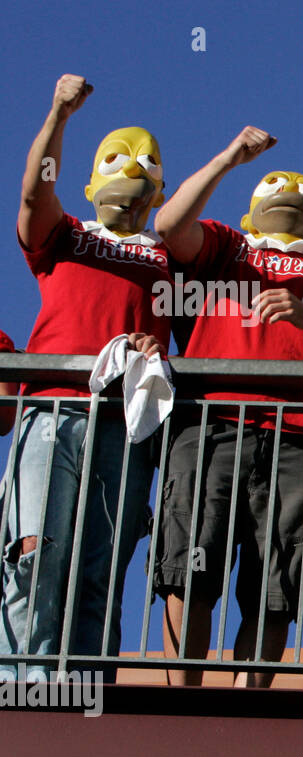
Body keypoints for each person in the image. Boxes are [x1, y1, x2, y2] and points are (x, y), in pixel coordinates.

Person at [153, 127, 303, 687]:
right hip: (211, 422)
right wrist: (229, 157)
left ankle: (249, 698)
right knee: (190, 562)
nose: (292, 194)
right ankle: (186, 698)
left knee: (280, 578)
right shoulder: (227, 247)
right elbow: (169, 225)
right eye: (277, 187)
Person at [3, 74, 169, 681]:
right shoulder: (66, 234)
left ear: (159, 189)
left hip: (126, 425)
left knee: (100, 563)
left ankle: (87, 691)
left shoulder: (166, 253)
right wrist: (59, 115)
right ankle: (21, 683)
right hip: (53, 412)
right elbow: (29, 196)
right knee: (36, 552)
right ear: (88, 183)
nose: (134, 170)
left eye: (148, 163)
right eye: (117, 160)